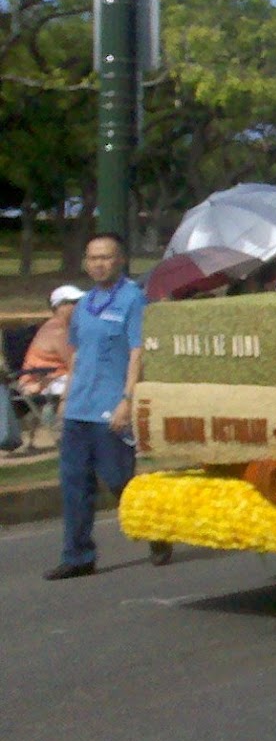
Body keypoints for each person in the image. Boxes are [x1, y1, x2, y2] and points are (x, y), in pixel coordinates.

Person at [46, 234, 169, 579]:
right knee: (74, 484)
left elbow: (137, 353)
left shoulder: (133, 300)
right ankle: (78, 555)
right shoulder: (84, 304)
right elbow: (78, 355)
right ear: (85, 262)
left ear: (121, 260)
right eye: (93, 257)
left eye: (107, 257)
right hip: (79, 408)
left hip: (111, 407)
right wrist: (65, 400)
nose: (99, 263)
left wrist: (127, 401)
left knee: (119, 480)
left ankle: (154, 530)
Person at [18, 285, 83, 397]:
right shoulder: (57, 330)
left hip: (59, 378)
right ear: (59, 306)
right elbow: (76, 363)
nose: (80, 305)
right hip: (43, 382)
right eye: (74, 302)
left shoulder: (67, 328)